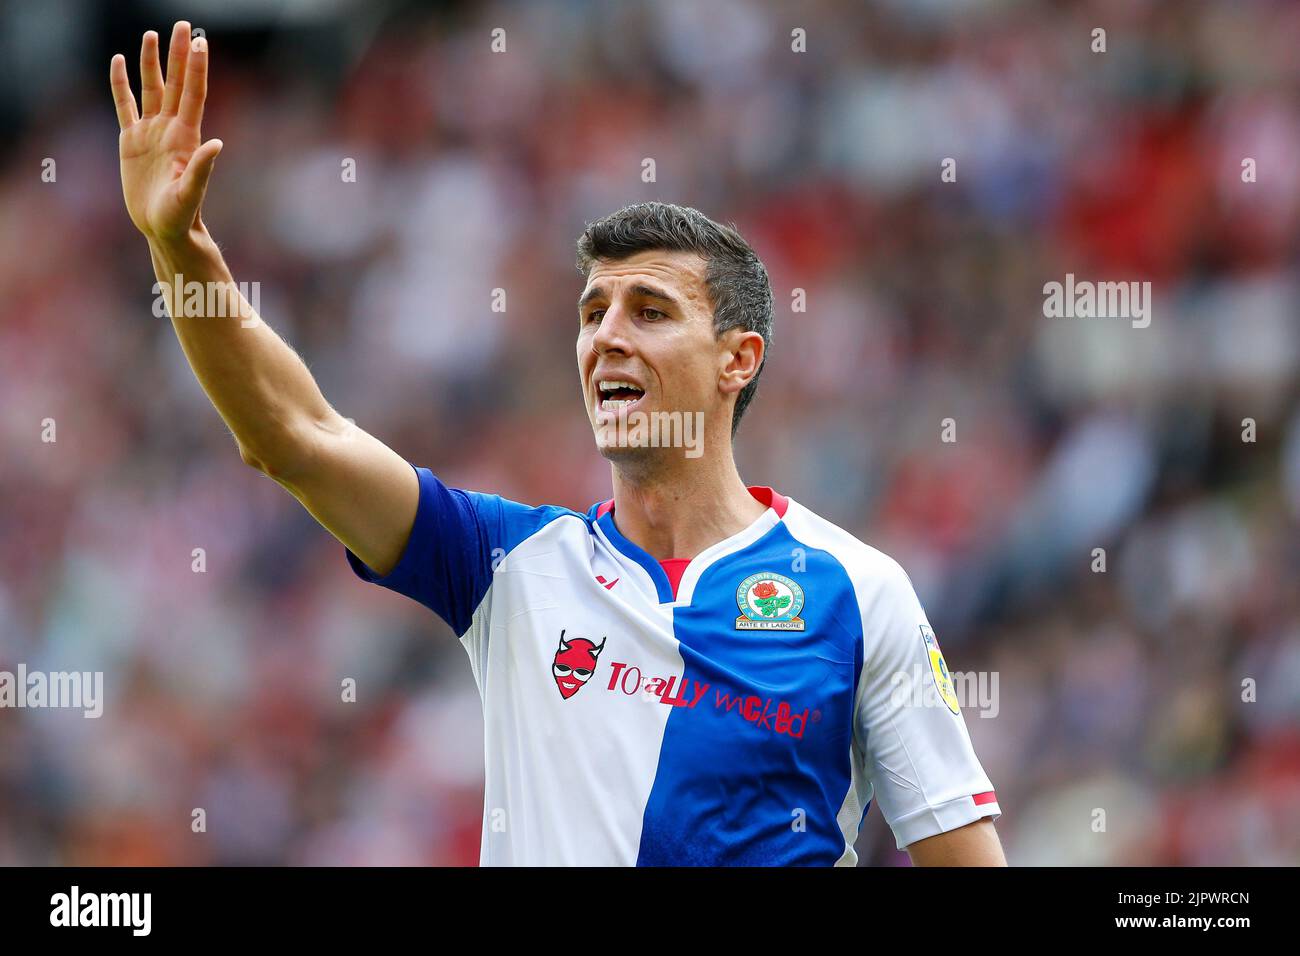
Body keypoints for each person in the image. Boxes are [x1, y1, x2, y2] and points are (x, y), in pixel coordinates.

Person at [110, 21, 1006, 866]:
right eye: (591, 313)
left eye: (650, 312)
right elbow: (294, 436)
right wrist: (180, 248)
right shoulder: (506, 563)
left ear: (739, 359)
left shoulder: (860, 592)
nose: (607, 336)